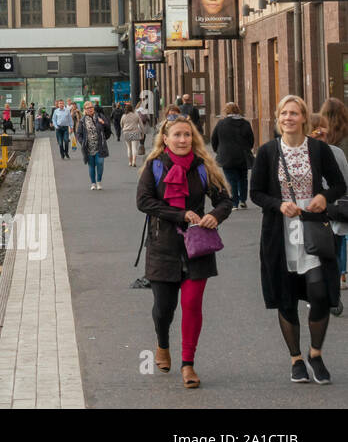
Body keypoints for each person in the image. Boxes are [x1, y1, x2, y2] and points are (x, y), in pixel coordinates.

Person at [250, 95, 347, 384]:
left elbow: (340, 184)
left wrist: (322, 197)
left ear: (304, 117)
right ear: (278, 118)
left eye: (294, 113)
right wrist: (278, 204)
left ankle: (315, 354)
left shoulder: (319, 149)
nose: (288, 118)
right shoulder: (267, 152)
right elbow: (256, 193)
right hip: (279, 233)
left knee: (319, 292)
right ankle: (296, 359)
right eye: (283, 113)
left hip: (313, 228)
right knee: (286, 296)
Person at [136, 112, 233, 388]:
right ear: (165, 139)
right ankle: (162, 343)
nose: (182, 139)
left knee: (191, 305)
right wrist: (179, 214)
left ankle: (188, 364)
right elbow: (143, 201)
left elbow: (225, 200)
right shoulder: (154, 165)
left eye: (187, 134)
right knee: (164, 308)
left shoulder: (203, 166)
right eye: (176, 135)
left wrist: (216, 215)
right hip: (162, 246)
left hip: (196, 247)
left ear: (194, 138)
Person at [310, 113, 348, 315]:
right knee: (332, 255)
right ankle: (333, 297)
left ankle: (324, 296)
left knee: (317, 257)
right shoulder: (337, 152)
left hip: (318, 214)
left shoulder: (305, 154)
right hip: (337, 213)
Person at [210, 102, 255, 209]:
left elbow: (214, 139)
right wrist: (247, 149)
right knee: (243, 178)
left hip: (227, 156)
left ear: (226, 111)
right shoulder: (245, 123)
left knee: (231, 180)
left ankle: (234, 202)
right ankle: (243, 200)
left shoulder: (221, 123)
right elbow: (251, 140)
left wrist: (218, 150)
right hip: (243, 156)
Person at [75, 100, 112, 190]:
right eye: (88, 108)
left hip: (100, 146)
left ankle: (99, 181)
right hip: (88, 147)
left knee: (100, 163)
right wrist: (82, 142)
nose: (90, 109)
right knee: (91, 165)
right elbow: (79, 134)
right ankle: (93, 183)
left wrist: (103, 123)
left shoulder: (100, 116)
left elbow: (108, 127)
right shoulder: (82, 121)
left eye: (91, 107)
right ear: (85, 110)